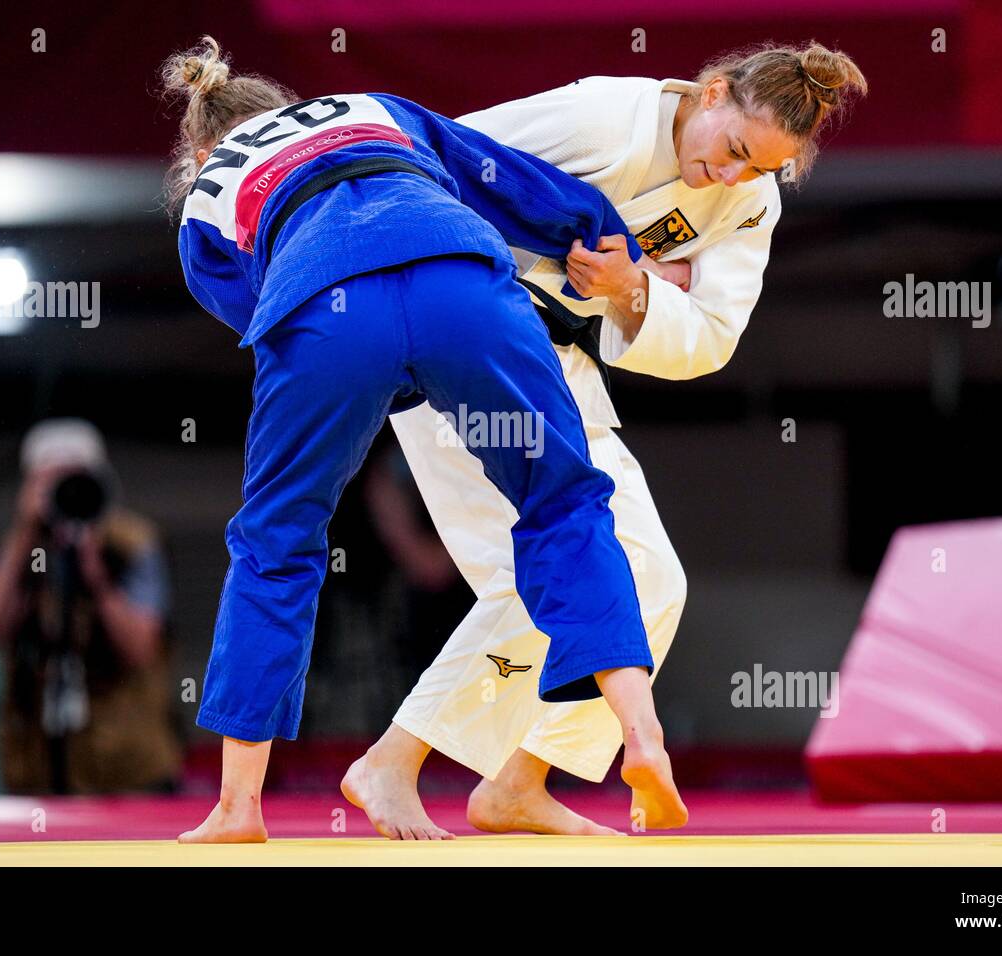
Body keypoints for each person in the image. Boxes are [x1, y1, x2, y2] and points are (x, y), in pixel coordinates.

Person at [160, 36, 689, 843]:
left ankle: (237, 805)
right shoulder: (372, 109)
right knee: (567, 500)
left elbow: (251, 311)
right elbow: (508, 180)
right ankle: (641, 732)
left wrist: (376, 380)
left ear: (203, 148)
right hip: (460, 276)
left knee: (277, 541)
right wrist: (614, 238)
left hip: (323, 308)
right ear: (290, 109)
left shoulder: (206, 199)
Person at [345, 43, 868, 838]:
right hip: (467, 337)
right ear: (713, 91)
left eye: (755, 169)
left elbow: (714, 336)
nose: (728, 178)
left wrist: (634, 289)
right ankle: (392, 760)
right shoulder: (604, 120)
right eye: (730, 151)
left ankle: (520, 779)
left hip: (566, 364)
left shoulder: (751, 201)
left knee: (650, 580)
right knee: (549, 575)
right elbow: (432, 161)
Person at [0, 419, 180, 794]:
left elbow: (140, 650)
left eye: (76, 481)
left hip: (127, 772)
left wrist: (95, 576)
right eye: (52, 483)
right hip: (37, 773)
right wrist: (23, 537)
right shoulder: (23, 548)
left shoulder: (130, 545)